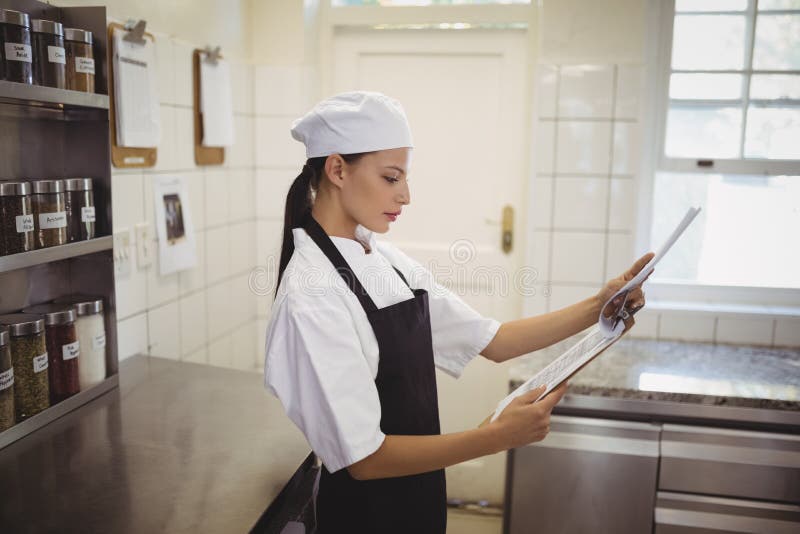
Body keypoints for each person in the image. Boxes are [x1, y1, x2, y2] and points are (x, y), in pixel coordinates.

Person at [263, 91, 652, 534]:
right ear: (336, 169)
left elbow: (495, 341)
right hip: (364, 518)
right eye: (392, 178)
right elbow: (365, 460)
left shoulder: (380, 257)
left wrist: (598, 308)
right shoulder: (311, 295)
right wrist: (494, 437)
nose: (406, 195)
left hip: (417, 504)